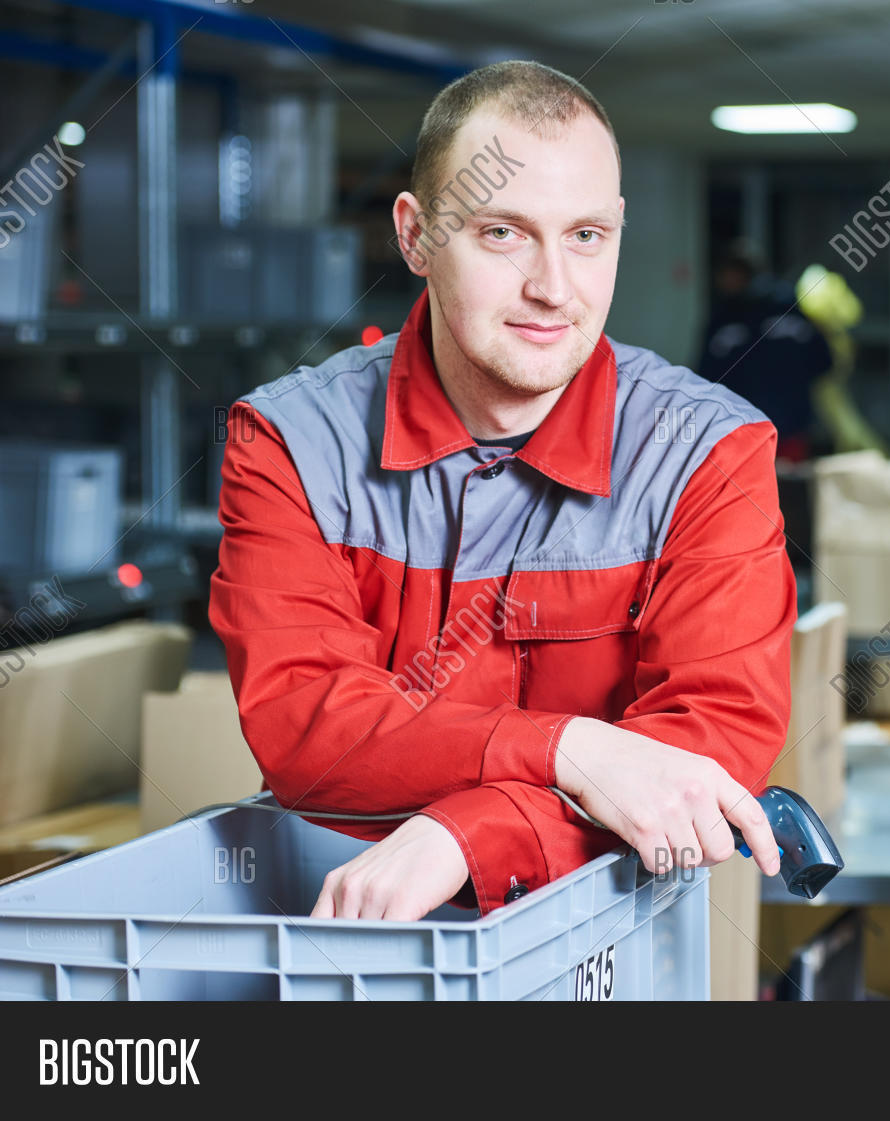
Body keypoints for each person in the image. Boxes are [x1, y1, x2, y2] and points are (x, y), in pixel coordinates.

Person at [209, 61, 790, 920]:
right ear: (414, 236)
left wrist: (470, 833)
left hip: (609, 953)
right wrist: (573, 752)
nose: (553, 287)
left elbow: (710, 745)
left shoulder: (708, 452)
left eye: (586, 236)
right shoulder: (292, 444)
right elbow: (308, 726)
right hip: (351, 955)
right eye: (503, 233)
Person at [697, 238, 832, 460]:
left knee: (787, 491)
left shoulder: (790, 314)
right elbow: (705, 378)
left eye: (739, 272)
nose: (731, 279)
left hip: (788, 433)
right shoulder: (722, 322)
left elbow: (824, 362)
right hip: (740, 434)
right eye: (728, 272)